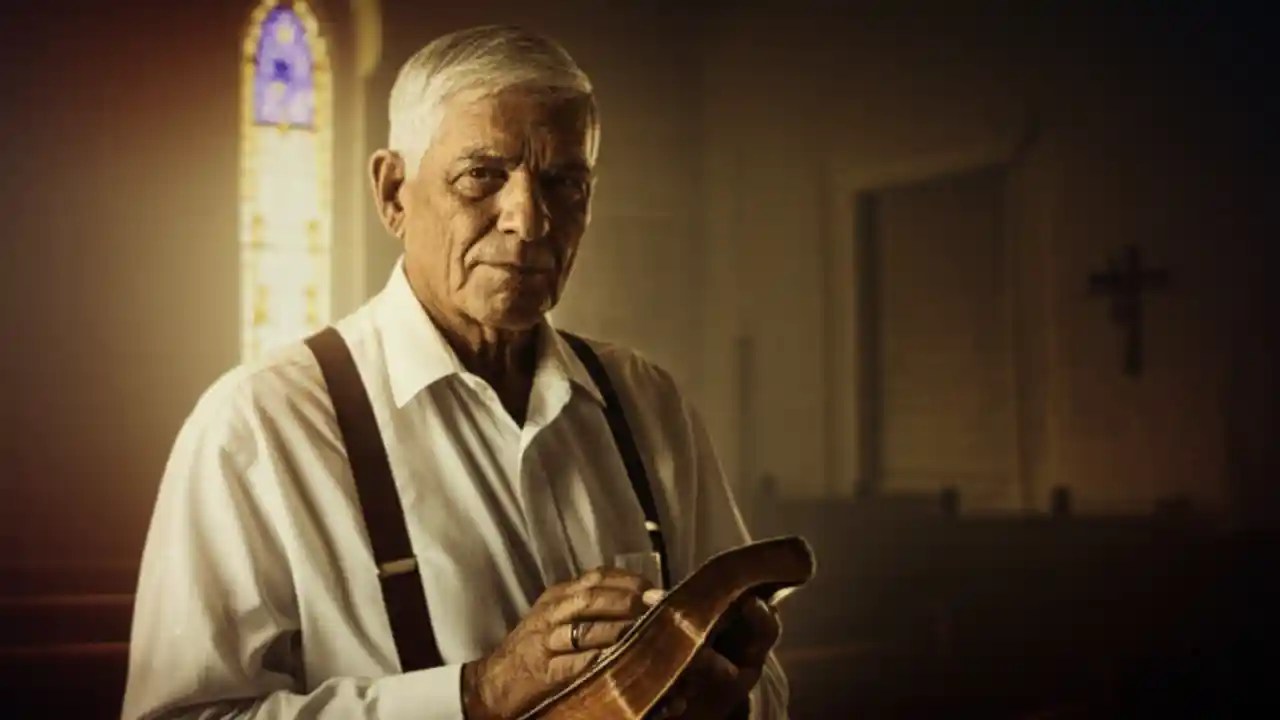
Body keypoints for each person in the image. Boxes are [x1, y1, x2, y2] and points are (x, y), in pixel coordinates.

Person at [122, 24, 788, 720]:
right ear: (393, 194)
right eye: (482, 175)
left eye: (564, 182)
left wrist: (731, 697)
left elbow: (767, 683)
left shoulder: (649, 402)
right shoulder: (259, 426)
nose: (529, 221)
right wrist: (478, 694)